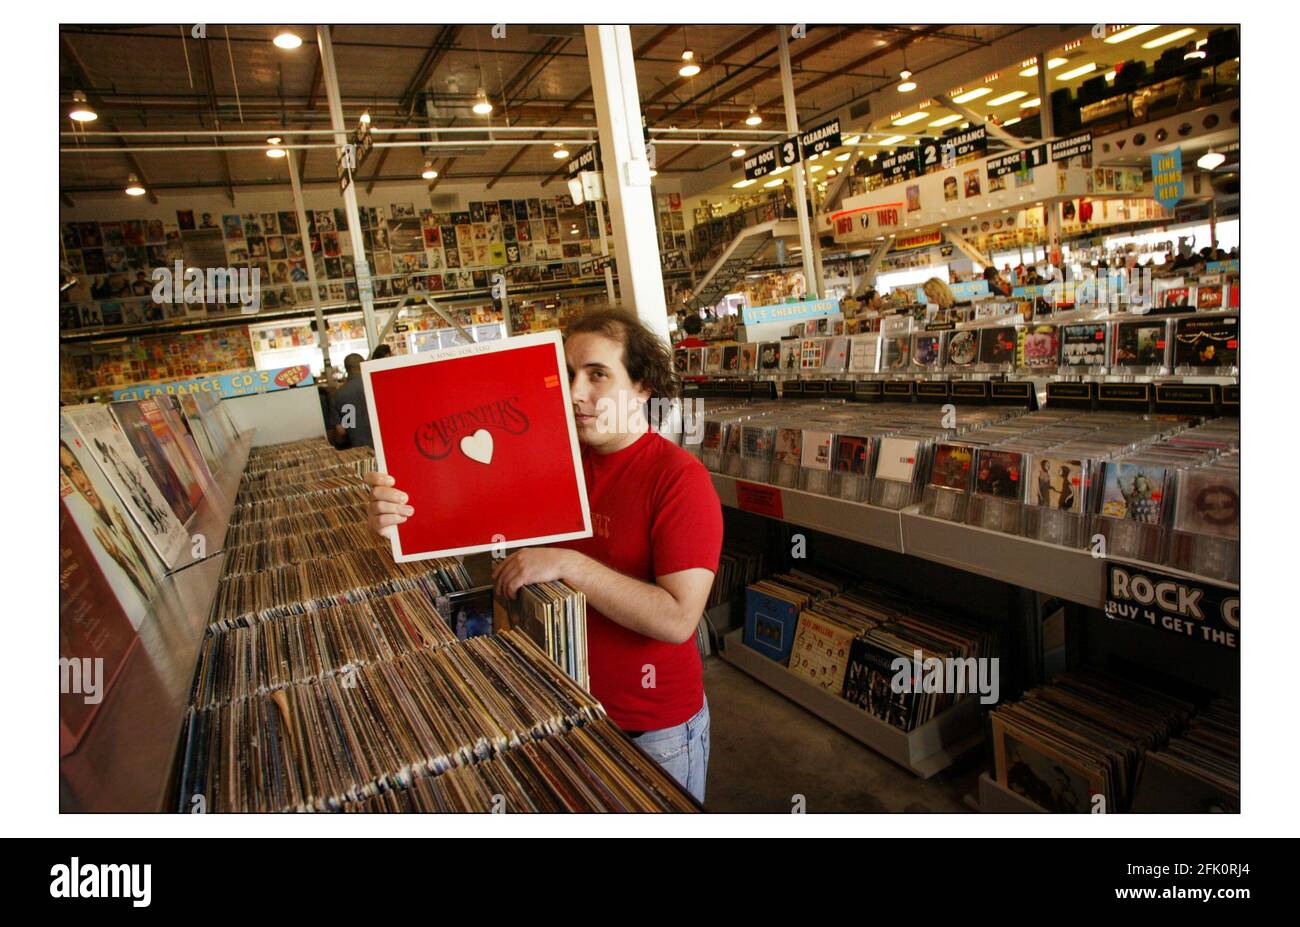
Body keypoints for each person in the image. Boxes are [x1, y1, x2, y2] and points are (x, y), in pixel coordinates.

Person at [364, 307, 723, 802]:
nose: (577, 392)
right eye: (568, 374)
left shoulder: (679, 480)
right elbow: (460, 524)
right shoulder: (548, 460)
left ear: (643, 387)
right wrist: (397, 520)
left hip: (649, 732)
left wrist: (568, 563)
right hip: (558, 712)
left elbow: (678, 618)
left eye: (598, 374)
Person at [329, 353, 375, 449]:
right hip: (384, 445)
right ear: (363, 365)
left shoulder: (339, 395)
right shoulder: (376, 385)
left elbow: (341, 430)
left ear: (346, 369)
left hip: (359, 449)